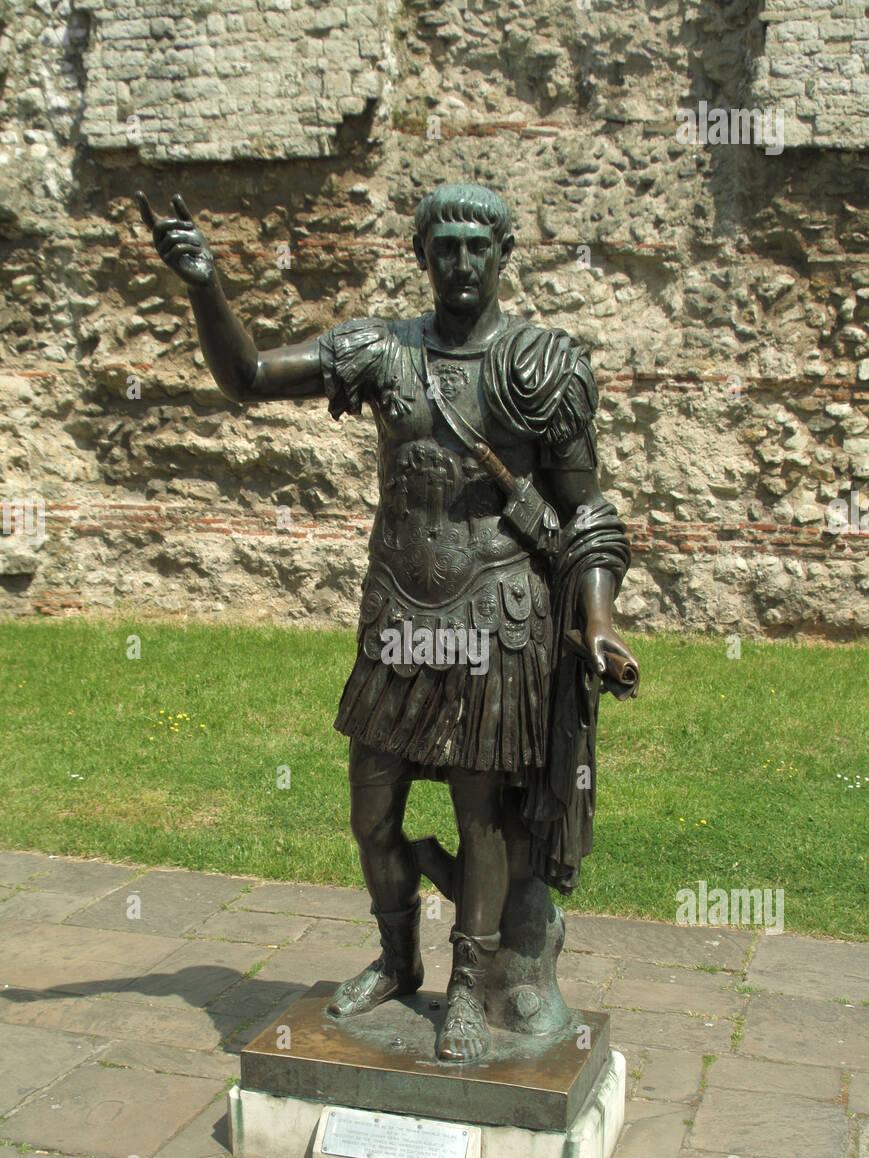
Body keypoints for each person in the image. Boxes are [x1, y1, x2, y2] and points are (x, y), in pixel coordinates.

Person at [137, 182, 639, 1063]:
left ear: (503, 255)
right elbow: (249, 378)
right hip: (399, 617)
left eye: (477, 247)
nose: (460, 262)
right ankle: (396, 955)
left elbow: (586, 510)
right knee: (374, 814)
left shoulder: (541, 365)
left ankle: (468, 989)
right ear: (421, 254)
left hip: (498, 613)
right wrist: (205, 284)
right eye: (443, 245)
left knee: (483, 815)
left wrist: (596, 620)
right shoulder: (380, 352)